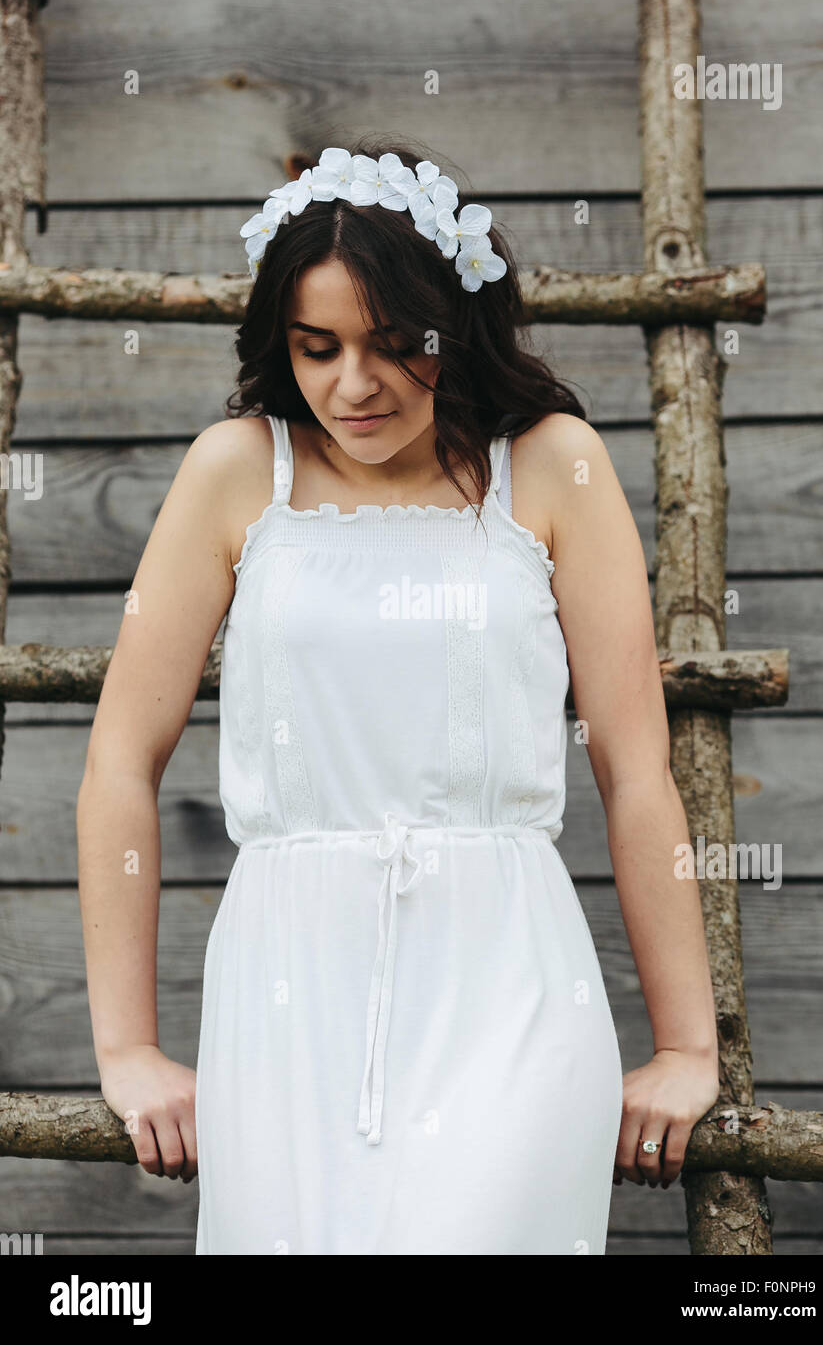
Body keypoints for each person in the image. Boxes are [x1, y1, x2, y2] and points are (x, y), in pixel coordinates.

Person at [77, 137, 720, 1255]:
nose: (352, 384)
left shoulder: (554, 464)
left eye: (390, 344)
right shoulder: (237, 470)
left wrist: (684, 1048)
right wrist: (126, 1047)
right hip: (285, 994)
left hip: (506, 983)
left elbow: (635, 772)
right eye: (316, 348)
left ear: (455, 325)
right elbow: (119, 763)